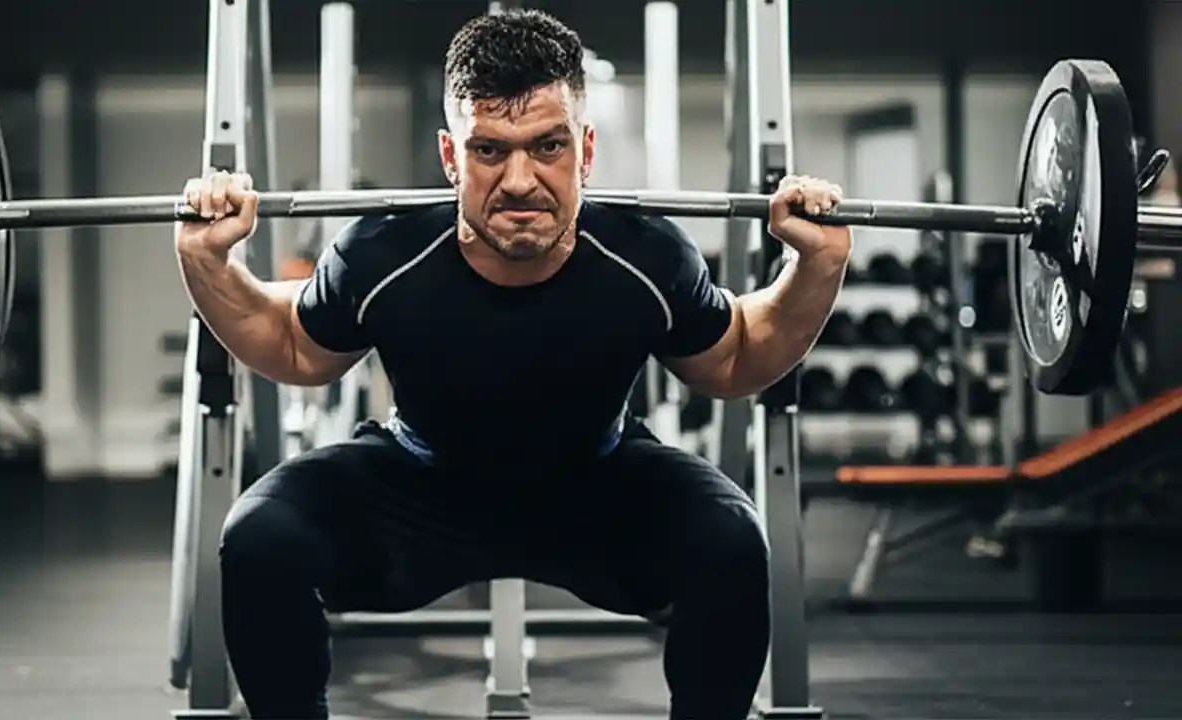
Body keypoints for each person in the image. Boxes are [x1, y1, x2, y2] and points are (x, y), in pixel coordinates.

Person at [174, 9, 850, 720]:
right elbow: (293, 346)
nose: (521, 181)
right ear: (450, 156)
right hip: (419, 490)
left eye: (548, 146)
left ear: (585, 150)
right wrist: (206, 260)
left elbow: (735, 356)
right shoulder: (382, 253)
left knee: (732, 540)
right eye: (489, 150)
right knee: (260, 537)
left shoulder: (646, 256)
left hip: (597, 493)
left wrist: (817, 265)